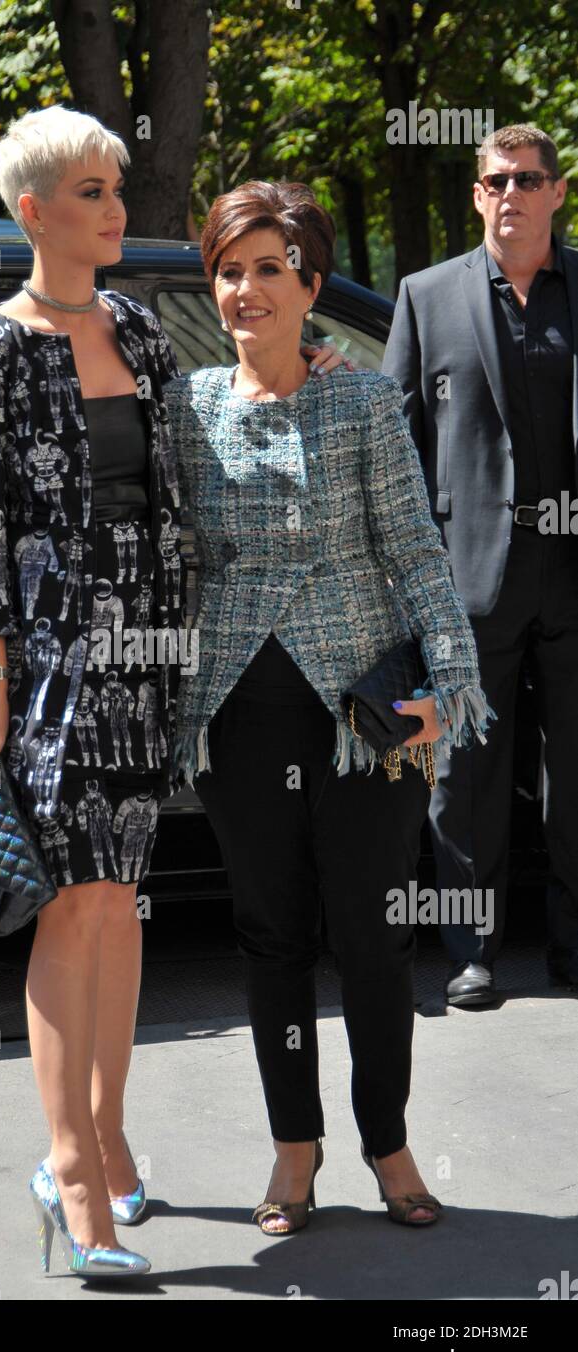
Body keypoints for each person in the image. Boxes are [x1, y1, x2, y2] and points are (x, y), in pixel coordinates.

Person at [0, 106, 352, 1280]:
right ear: (31, 211)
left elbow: (206, 445)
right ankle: (67, 1169)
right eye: (88, 191)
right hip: (55, 656)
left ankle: (111, 1134)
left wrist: (300, 364)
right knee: (69, 907)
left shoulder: (134, 324)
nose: (115, 208)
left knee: (117, 901)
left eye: (116, 187)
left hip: (153, 650)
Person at [165, 180, 494, 1234]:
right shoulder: (188, 407)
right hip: (237, 715)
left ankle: (388, 1142)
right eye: (229, 270)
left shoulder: (359, 402)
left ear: (310, 283)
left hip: (362, 721)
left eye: (269, 268)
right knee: (271, 938)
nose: (246, 288)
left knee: (372, 938)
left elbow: (414, 555)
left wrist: (448, 685)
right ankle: (293, 1150)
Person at [383, 124, 578, 1005]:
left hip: (573, 573)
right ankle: (472, 952)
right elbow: (395, 445)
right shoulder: (427, 296)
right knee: (465, 774)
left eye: (527, 180)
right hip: (469, 577)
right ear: (476, 195)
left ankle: (573, 947)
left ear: (557, 192)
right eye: (495, 181)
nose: (511, 195)